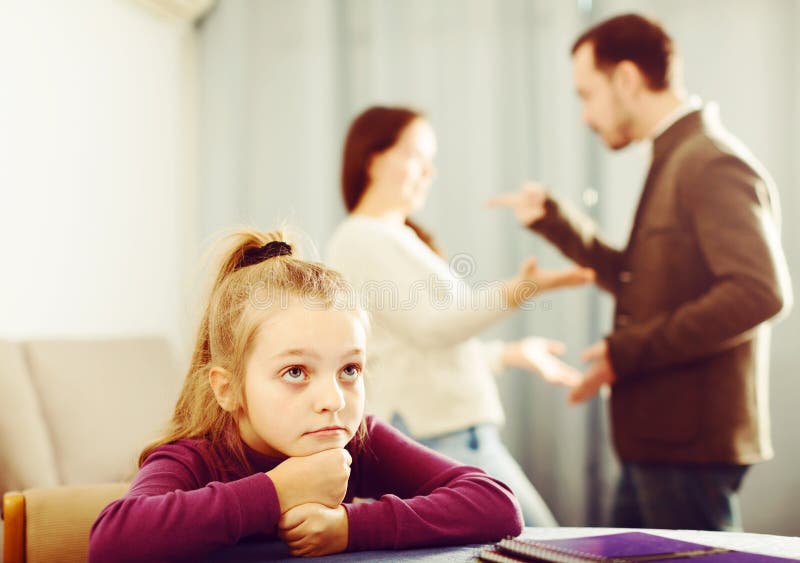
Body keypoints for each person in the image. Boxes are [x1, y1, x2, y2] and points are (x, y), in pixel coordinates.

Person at [490, 14, 792, 531]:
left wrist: (625, 352)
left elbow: (759, 293)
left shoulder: (708, 162)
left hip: (686, 443)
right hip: (659, 437)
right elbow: (639, 281)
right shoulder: (677, 156)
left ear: (626, 80)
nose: (585, 115)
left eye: (587, 94)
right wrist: (554, 221)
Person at [88, 229, 524, 562]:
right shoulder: (195, 458)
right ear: (228, 388)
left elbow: (497, 504)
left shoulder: (356, 441)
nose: (332, 399)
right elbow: (111, 541)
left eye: (349, 369)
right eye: (296, 372)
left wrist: (349, 528)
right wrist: (277, 490)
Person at [327, 106, 594, 527]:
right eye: (416, 156)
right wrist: (523, 288)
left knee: (533, 540)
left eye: (431, 161)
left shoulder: (399, 238)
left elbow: (423, 347)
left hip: (445, 428)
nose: (428, 173)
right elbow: (433, 328)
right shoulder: (363, 238)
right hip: (437, 432)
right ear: (374, 159)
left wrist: (509, 354)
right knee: (542, 539)